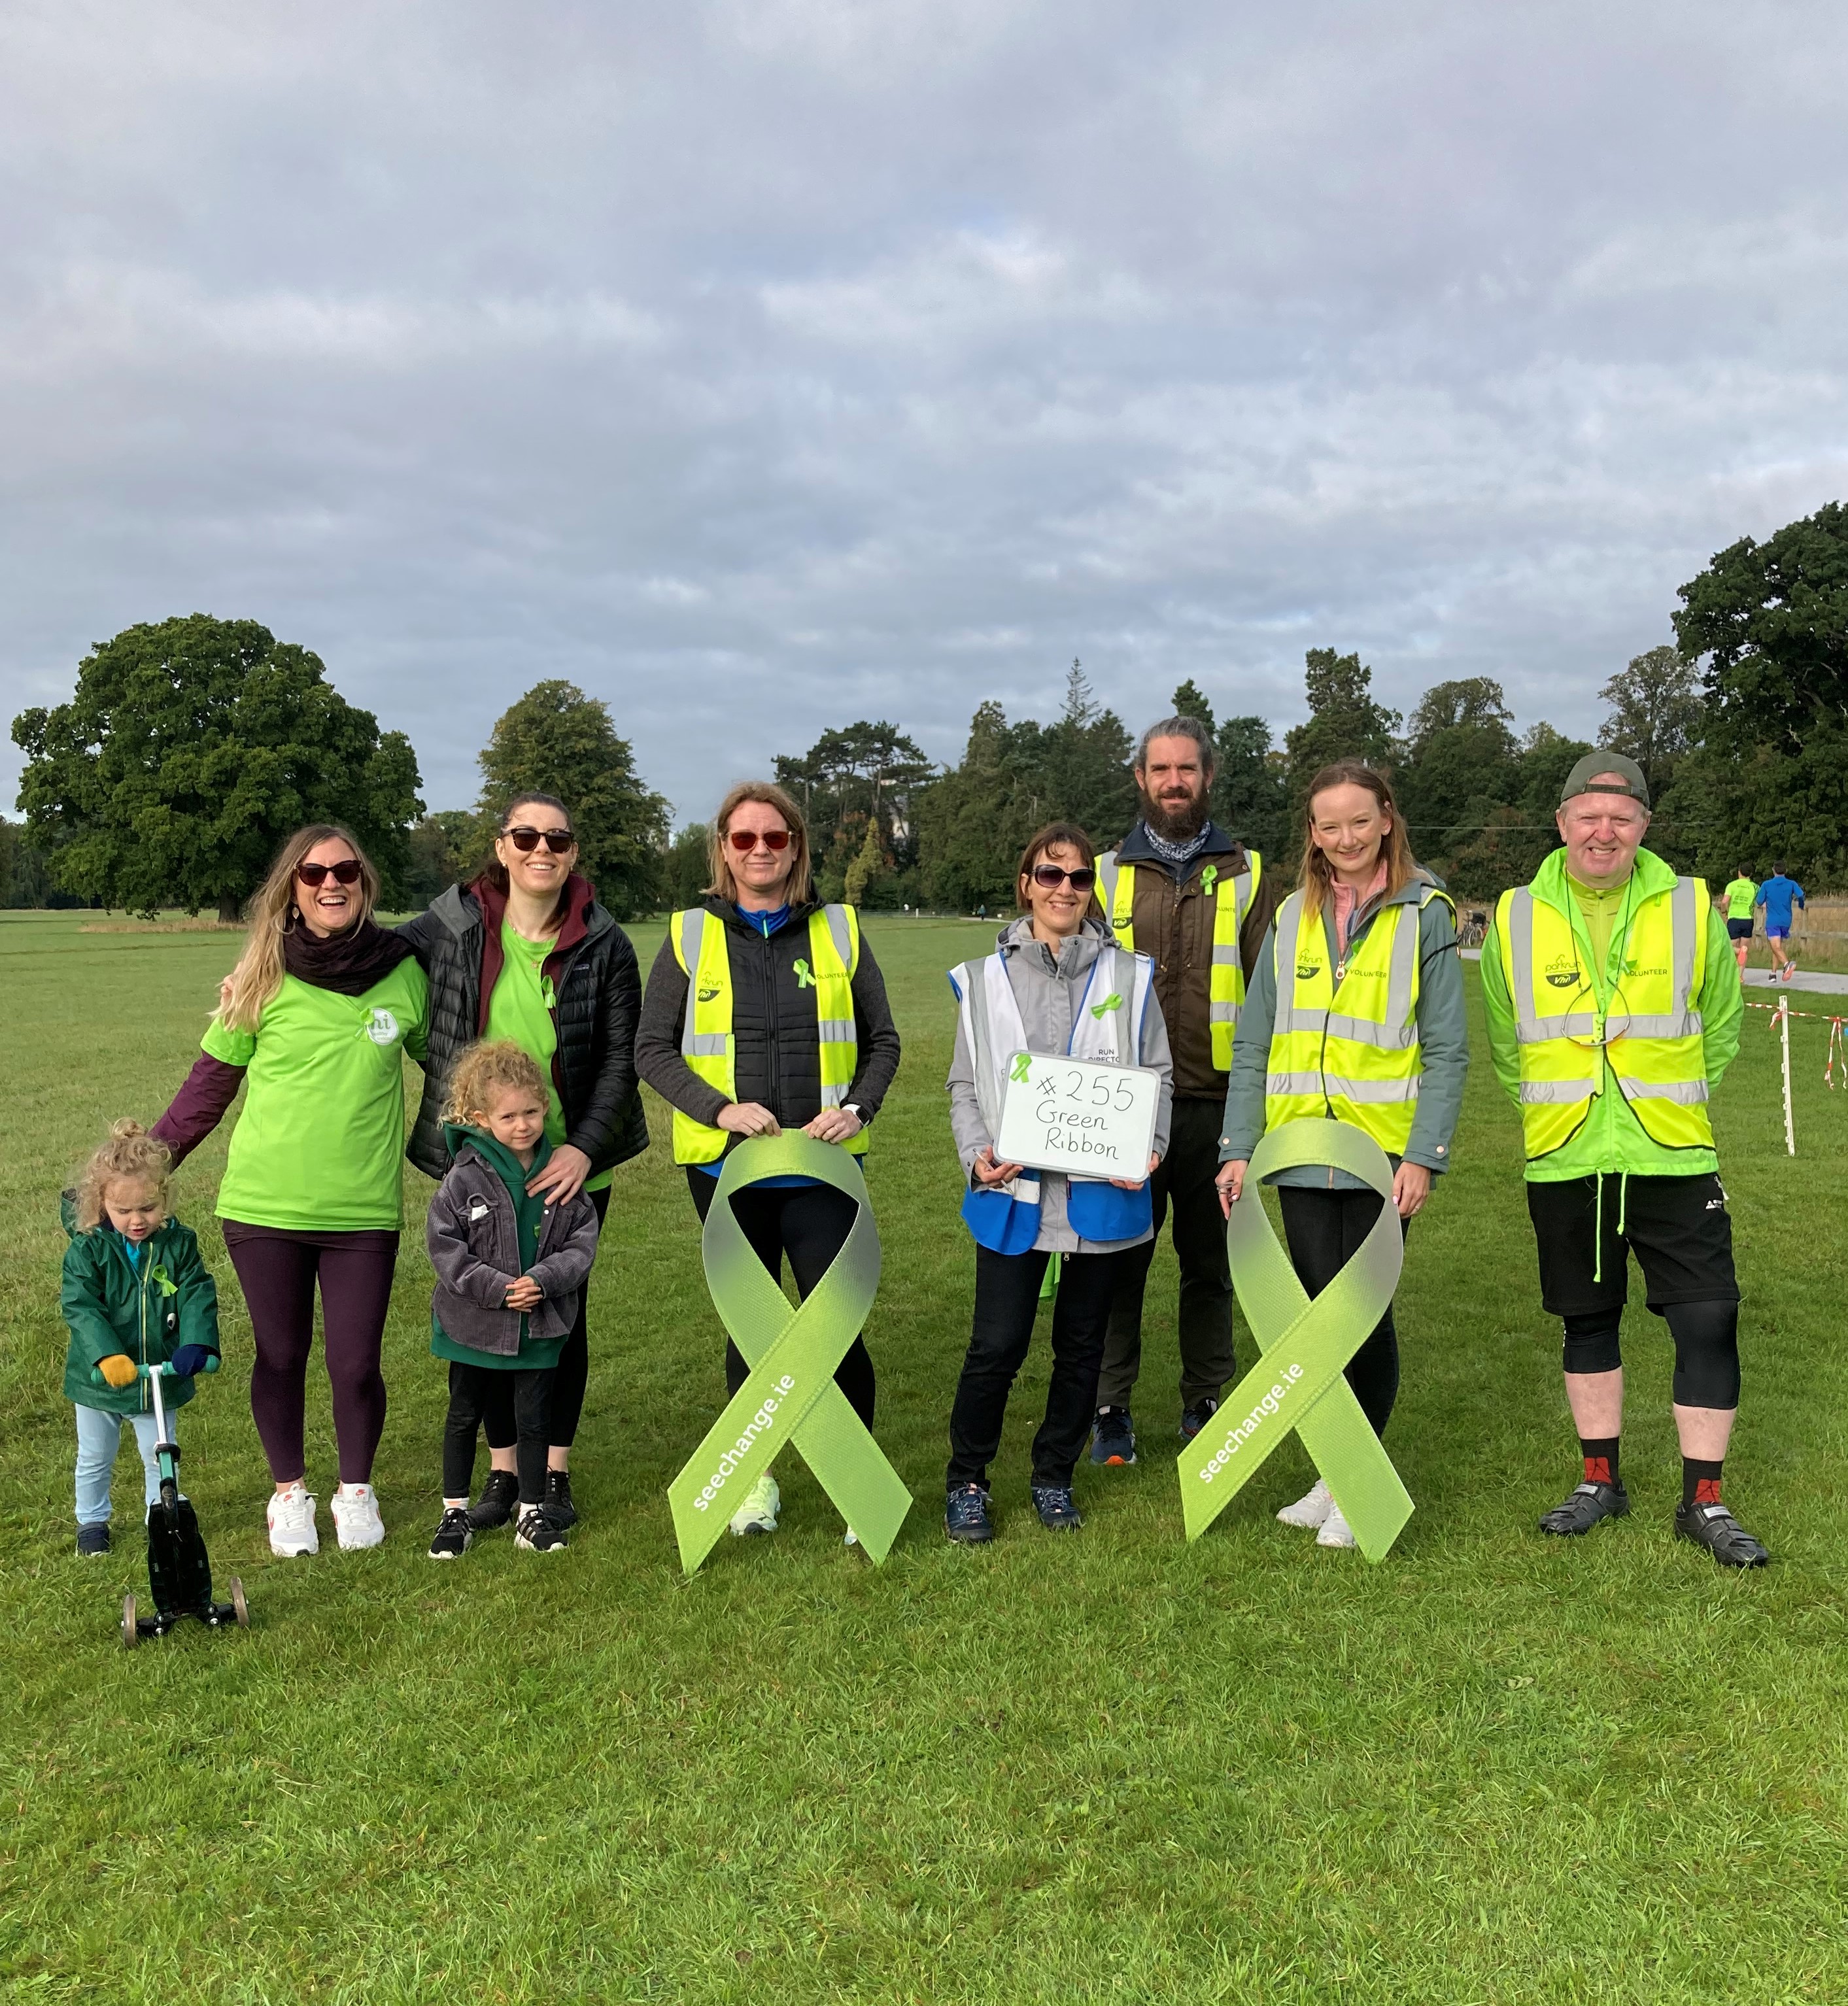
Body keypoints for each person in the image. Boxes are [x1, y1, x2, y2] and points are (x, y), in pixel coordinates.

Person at [1481, 753, 1766, 1567]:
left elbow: (1721, 1019)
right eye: (1589, 813)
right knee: (1587, 1320)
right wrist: (1563, 1110)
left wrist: (1667, 1099)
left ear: (1645, 826)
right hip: (1567, 1154)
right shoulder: (1514, 911)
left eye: (1623, 815)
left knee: (1709, 1314)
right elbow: (1508, 1039)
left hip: (1672, 1150)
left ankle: (1704, 1499)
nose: (1604, 829)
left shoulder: (1689, 904)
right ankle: (1600, 1480)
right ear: (1562, 821)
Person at [635, 781, 902, 1541]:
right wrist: (719, 1111)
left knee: (835, 1325)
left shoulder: (841, 929)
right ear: (723, 848)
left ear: (795, 848)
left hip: (824, 1170)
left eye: (774, 838)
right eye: (744, 838)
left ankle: (858, 1483)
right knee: (750, 1332)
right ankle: (754, 1482)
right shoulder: (689, 934)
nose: (760, 850)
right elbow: (651, 1048)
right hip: (727, 1175)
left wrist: (856, 1108)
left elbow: (883, 1040)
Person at [153, 824, 428, 1557]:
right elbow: (206, 1090)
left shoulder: (406, 970)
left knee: (356, 1361)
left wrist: (508, 1135)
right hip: (264, 1207)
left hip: (362, 1210)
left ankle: (356, 1491)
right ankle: (289, 1494)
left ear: (364, 882)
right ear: (292, 888)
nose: (330, 883)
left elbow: (458, 1066)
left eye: (345, 870)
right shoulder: (260, 975)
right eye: (313, 873)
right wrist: (141, 1167)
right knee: (279, 1354)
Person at [1214, 762, 1467, 1550]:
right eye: (1330, 825)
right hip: (1296, 1152)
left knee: (1362, 1315)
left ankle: (1357, 1481)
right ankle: (1334, 1472)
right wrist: (1237, 1146)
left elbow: (1449, 1049)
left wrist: (1424, 1154)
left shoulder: (1426, 911)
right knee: (1316, 1316)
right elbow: (1254, 1039)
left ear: (1387, 818)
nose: (1346, 838)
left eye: (1360, 820)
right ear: (1312, 833)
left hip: (1378, 1155)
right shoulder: (1291, 913)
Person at [398, 791, 645, 1535]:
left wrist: (581, 1147)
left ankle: (553, 1473)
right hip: (475, 1167)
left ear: (573, 852)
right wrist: (271, 960)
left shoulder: (605, 943)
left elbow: (618, 1063)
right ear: (502, 846)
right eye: (527, 836)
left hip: (569, 1168)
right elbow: (364, 951)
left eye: (559, 839)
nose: (544, 849)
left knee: (558, 1316)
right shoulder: (453, 922)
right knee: (485, 1309)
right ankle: (505, 1475)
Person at [944, 823, 1173, 1542]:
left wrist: (1153, 1144)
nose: (1064, 889)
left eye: (1078, 878)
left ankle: (1053, 1475)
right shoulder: (983, 977)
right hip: (1013, 1195)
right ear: (1026, 882)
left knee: (1082, 1348)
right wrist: (977, 1152)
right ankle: (968, 1480)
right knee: (998, 1344)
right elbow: (962, 1084)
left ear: (1089, 891)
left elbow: (1160, 1074)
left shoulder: (1130, 975)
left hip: (1101, 1193)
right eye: (1051, 874)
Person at [1089, 715, 1276, 1465]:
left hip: (1218, 1104)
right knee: (1116, 1259)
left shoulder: (1253, 872)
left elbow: (1271, 995)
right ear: (1141, 777)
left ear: (1209, 775)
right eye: (1160, 769)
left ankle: (1206, 1399)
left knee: (1211, 1266)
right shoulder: (1103, 873)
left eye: (1186, 770)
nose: (1173, 782)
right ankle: (1109, 1407)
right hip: (1126, 1106)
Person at [424, 1043, 602, 1559]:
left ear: (545, 1108)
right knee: (463, 1415)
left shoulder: (562, 1177)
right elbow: (444, 1246)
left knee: (534, 1421)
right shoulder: (463, 1177)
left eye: (530, 1112)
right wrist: (497, 1289)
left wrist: (543, 1281)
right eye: (507, 1116)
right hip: (470, 1325)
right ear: (481, 1118)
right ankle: (453, 1514)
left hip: (540, 1326)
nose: (521, 1125)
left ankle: (531, 1512)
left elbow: (581, 1243)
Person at [61, 1121, 220, 1556]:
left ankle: (162, 1516)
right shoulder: (88, 1249)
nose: (137, 1221)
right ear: (101, 1203)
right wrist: (105, 1356)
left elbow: (195, 1291)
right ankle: (92, 1521)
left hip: (157, 1373)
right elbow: (82, 1307)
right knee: (96, 1456)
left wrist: (197, 1343)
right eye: (124, 1211)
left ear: (163, 1199)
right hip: (100, 1380)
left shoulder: (178, 1244)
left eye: (147, 1209)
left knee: (161, 1453)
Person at [1759, 862, 1806, 981]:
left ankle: (1787, 964)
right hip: (1786, 919)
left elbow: (1759, 901)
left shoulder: (1767, 884)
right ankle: (1773, 974)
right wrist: (1801, 905)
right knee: (1777, 947)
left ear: (1773, 870)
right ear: (1786, 870)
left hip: (1773, 920)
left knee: (1775, 946)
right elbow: (1801, 895)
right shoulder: (1791, 883)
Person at [1721, 867, 1758, 972]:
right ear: (1750, 874)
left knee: (1730, 947)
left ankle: (1738, 953)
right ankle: (1740, 976)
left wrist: (1724, 912)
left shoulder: (1732, 885)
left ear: (1739, 873)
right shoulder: (1755, 887)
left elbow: (1724, 902)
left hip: (1734, 918)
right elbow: (1760, 901)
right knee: (1745, 948)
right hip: (1748, 919)